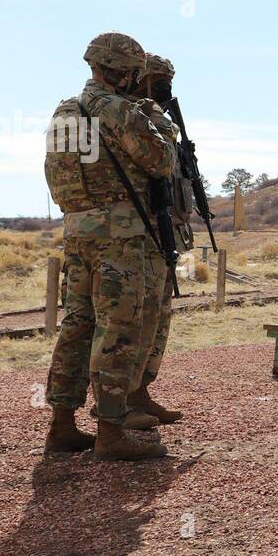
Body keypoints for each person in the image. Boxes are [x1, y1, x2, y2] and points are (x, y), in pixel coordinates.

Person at [43, 32, 178, 462]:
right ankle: (110, 431)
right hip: (120, 238)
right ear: (125, 72)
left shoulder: (64, 112)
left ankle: (61, 425)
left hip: (78, 231)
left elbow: (56, 177)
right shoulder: (120, 111)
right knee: (118, 329)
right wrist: (161, 128)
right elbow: (161, 162)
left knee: (77, 325)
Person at [127, 52, 188, 426]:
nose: (165, 87)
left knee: (158, 320)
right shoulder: (130, 120)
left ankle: (141, 391)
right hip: (137, 233)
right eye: (158, 79)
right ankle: (121, 403)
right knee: (135, 321)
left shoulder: (161, 120)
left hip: (164, 234)